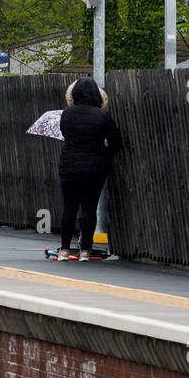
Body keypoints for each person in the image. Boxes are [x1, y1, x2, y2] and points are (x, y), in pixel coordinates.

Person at [54, 77, 123, 260]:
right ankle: (85, 250)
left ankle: (64, 250)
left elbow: (64, 132)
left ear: (74, 93)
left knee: (69, 208)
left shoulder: (67, 114)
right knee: (89, 209)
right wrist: (104, 155)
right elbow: (116, 142)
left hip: (69, 166)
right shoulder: (103, 116)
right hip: (94, 168)